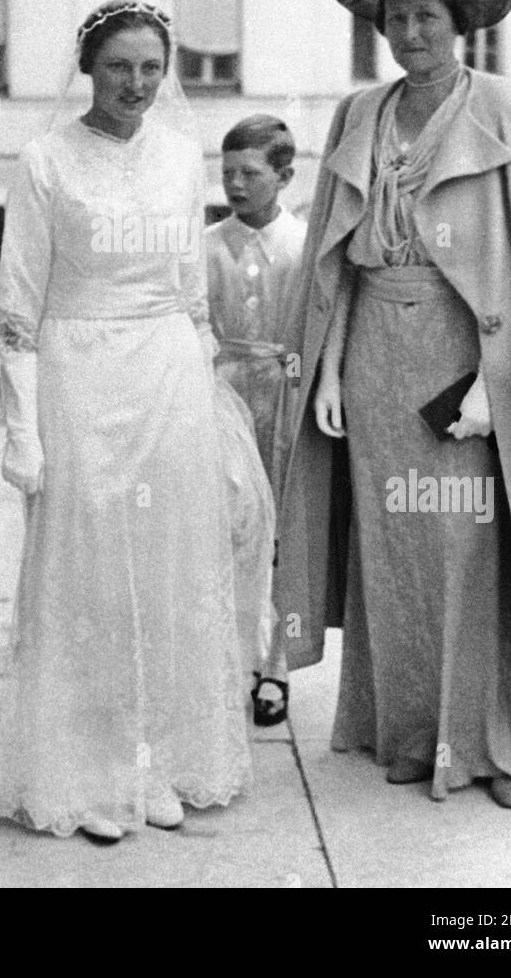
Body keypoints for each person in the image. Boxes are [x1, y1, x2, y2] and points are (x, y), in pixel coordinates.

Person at [277, 0, 511, 808]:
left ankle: (497, 747)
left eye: (426, 17)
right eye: (396, 19)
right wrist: (331, 368)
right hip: (377, 356)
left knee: (474, 548)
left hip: (470, 364)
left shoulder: (510, 109)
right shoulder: (360, 113)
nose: (411, 35)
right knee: (394, 552)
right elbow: (332, 259)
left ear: (458, 20)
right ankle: (413, 733)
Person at [0, 0, 251, 842]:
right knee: (90, 577)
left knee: (169, 573)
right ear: (87, 69)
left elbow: (192, 291)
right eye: (117, 67)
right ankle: (91, 774)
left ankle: (159, 761)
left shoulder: (179, 154)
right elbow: (17, 306)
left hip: (169, 375)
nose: (135, 85)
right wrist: (22, 430)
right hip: (80, 378)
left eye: (149, 68)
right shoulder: (44, 161)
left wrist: (207, 397)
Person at [206, 116, 307, 727]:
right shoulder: (207, 242)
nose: (237, 185)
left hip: (285, 390)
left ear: (285, 176)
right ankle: (222, 660)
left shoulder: (303, 244)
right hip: (221, 390)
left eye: (251, 173)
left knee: (282, 530)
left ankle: (275, 666)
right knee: (223, 523)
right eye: (227, 173)